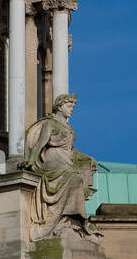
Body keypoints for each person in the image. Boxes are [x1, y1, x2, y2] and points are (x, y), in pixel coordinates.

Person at [21, 93, 100, 240]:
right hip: (53, 160)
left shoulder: (68, 126)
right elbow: (40, 143)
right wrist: (31, 160)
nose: (71, 110)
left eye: (72, 107)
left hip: (66, 159)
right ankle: (70, 219)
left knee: (77, 178)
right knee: (74, 177)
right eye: (69, 106)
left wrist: (87, 158)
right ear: (59, 106)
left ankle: (69, 220)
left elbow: (71, 149)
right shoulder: (50, 123)